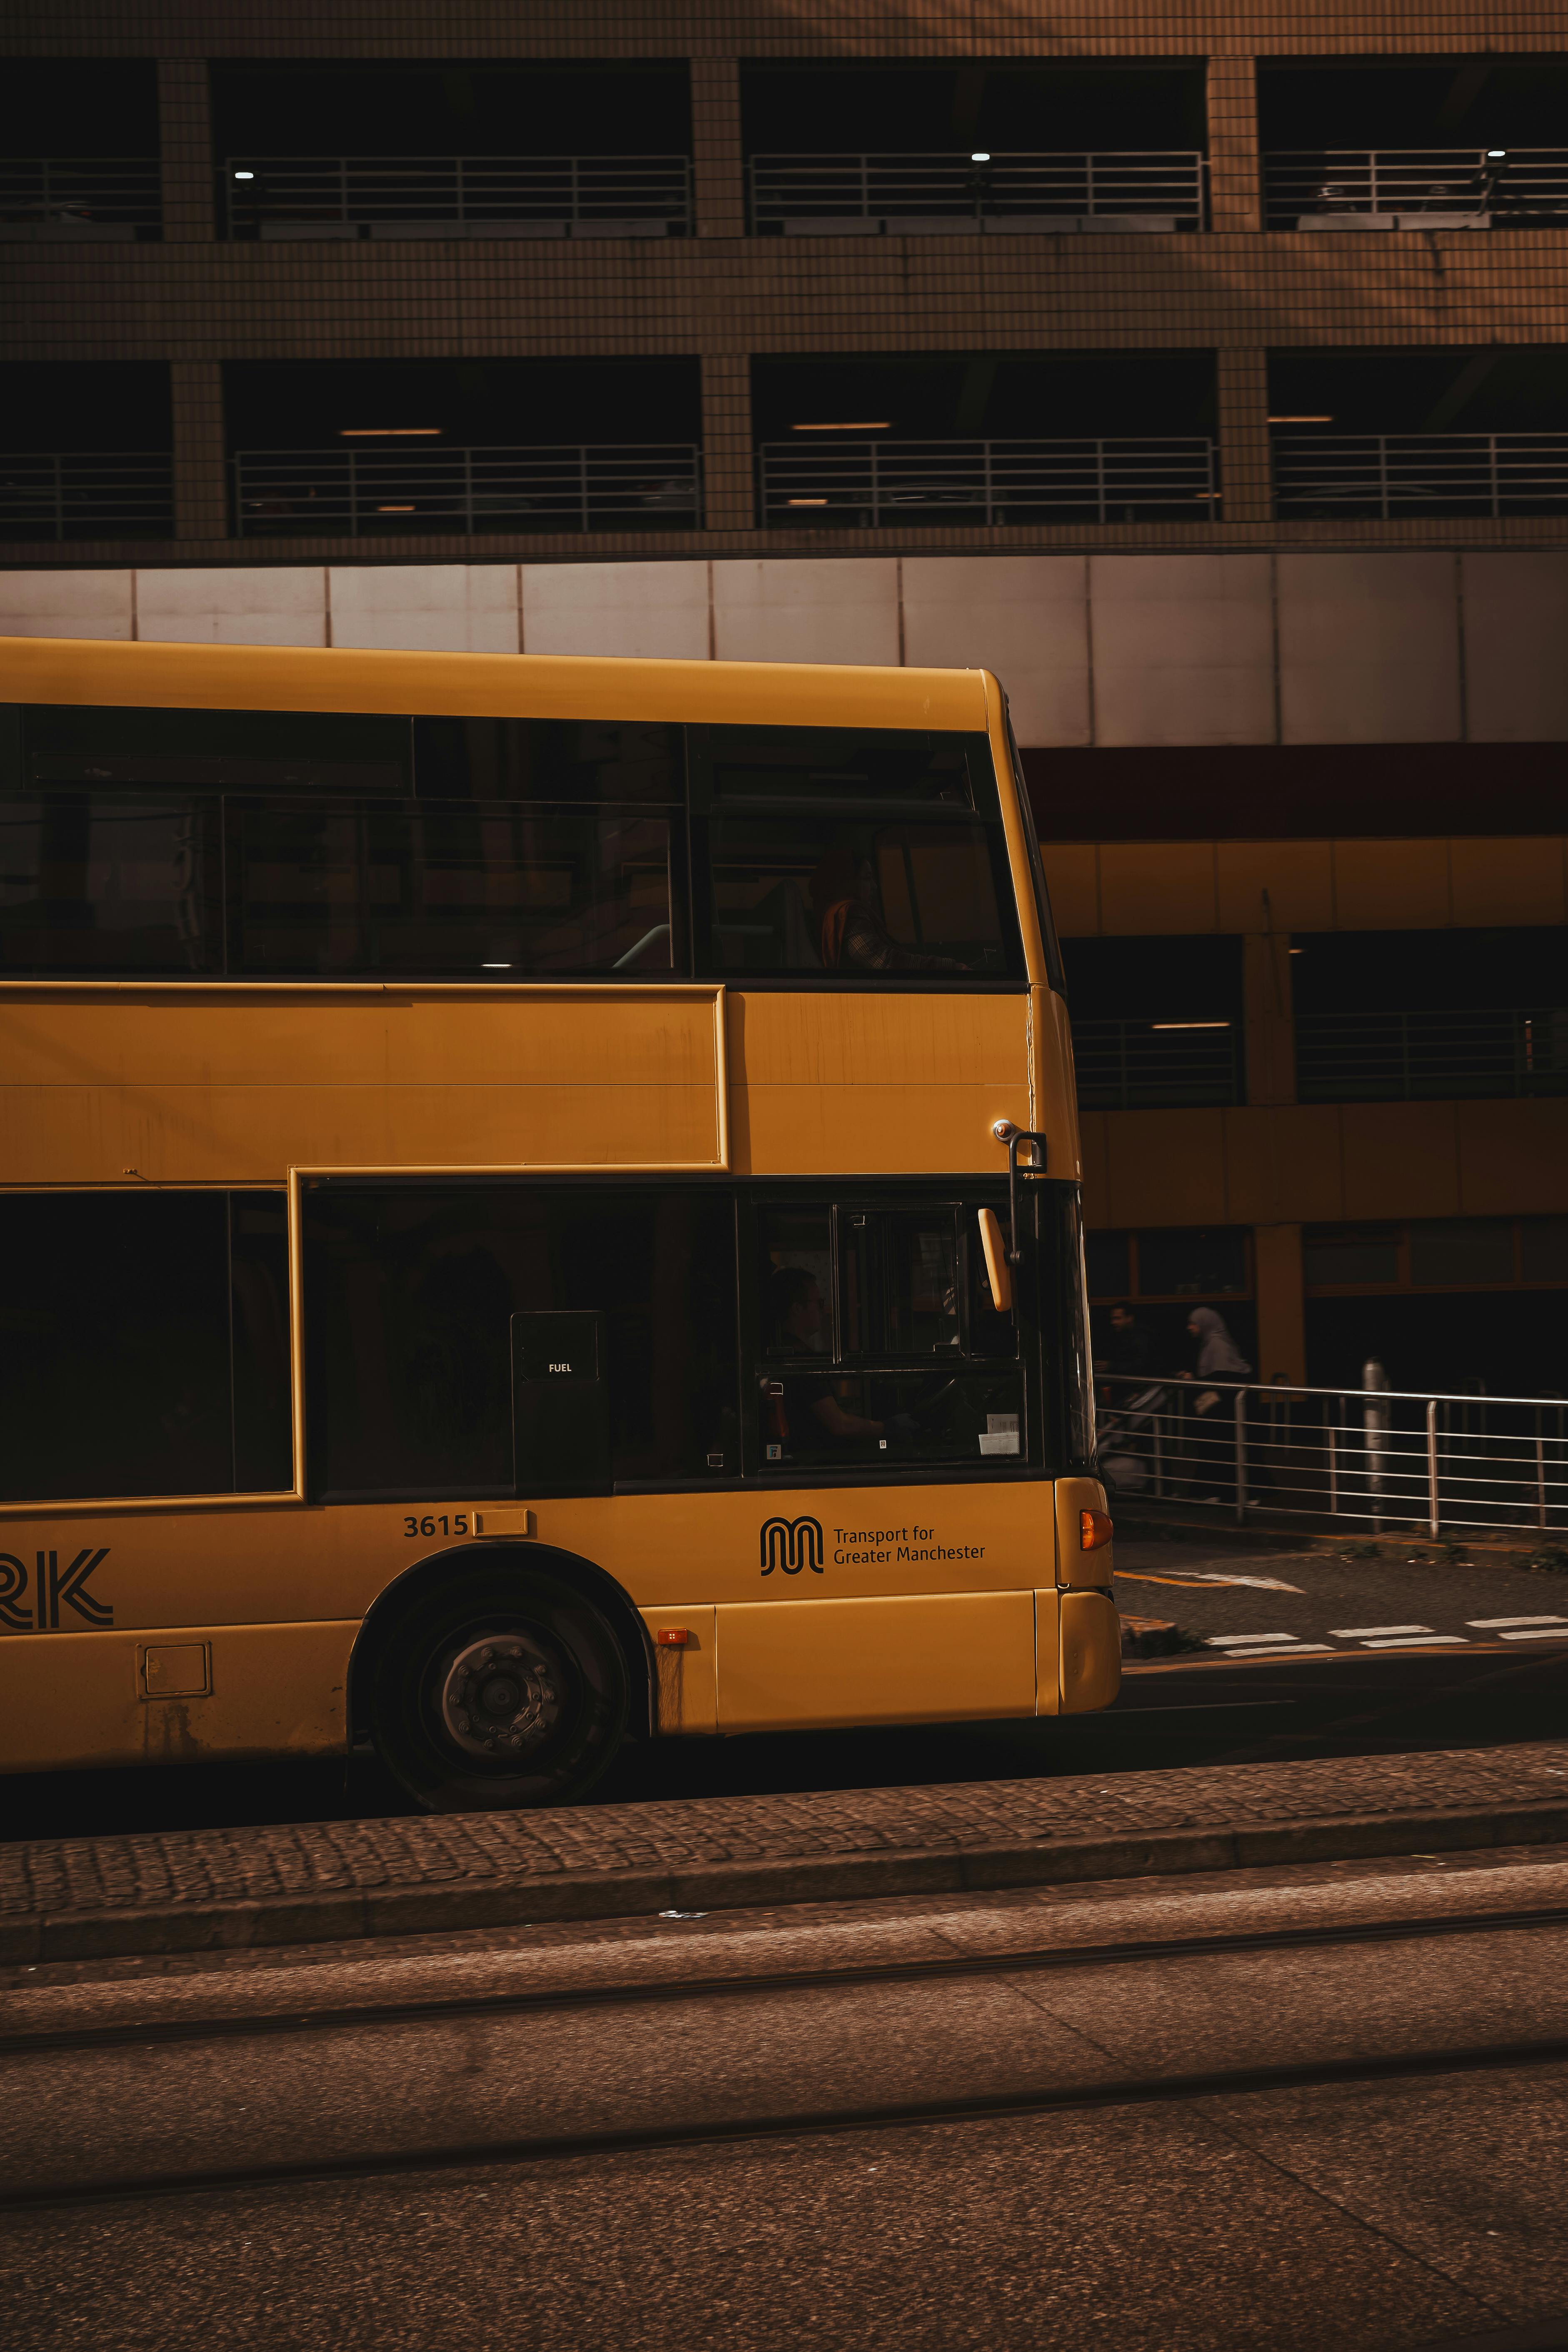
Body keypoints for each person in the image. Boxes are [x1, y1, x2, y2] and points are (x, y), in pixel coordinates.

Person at [763, 1265, 911, 1455]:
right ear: (798, 1308)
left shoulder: (783, 1350)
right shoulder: (798, 1360)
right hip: (813, 1460)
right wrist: (889, 1427)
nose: (824, 1311)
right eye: (819, 1303)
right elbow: (839, 1425)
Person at [809, 836, 963, 974]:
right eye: (867, 879)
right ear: (847, 882)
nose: (874, 886)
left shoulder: (832, 911)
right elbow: (885, 962)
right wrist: (950, 967)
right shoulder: (848, 914)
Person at [1186, 1305, 1252, 1381]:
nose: (1189, 1328)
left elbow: (1222, 1377)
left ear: (1205, 1323)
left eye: (1194, 1324)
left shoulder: (1218, 1343)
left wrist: (1194, 1379)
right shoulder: (1208, 1343)